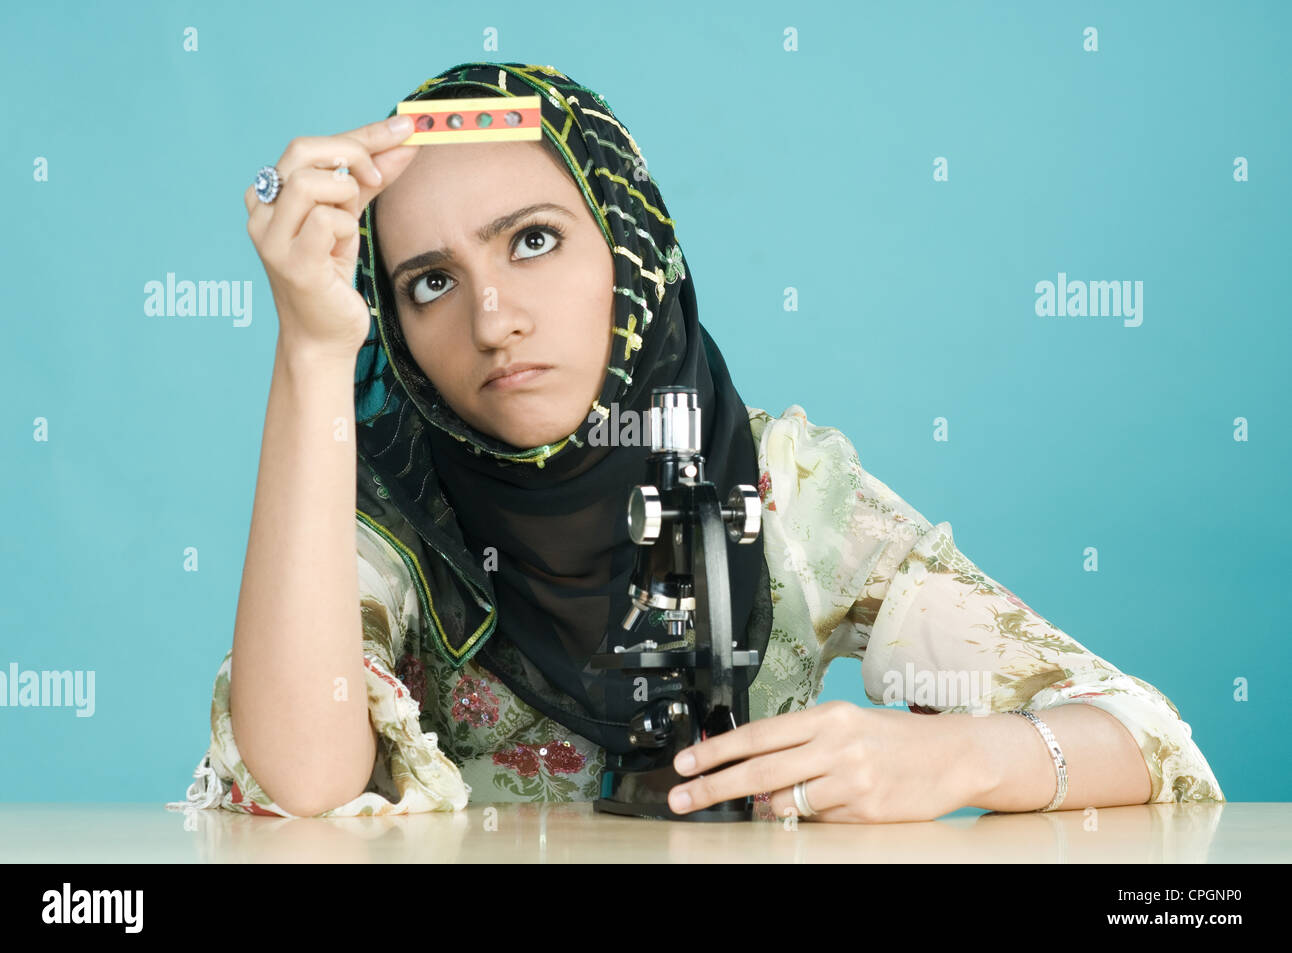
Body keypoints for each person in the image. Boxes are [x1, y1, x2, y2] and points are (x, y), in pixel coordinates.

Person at [167, 61, 1223, 823]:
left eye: (532, 240)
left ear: (631, 252)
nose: (492, 318)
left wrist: (955, 754)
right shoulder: (396, 513)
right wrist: (310, 347)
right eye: (428, 282)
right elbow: (297, 785)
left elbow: (1143, 735)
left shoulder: (787, 488)